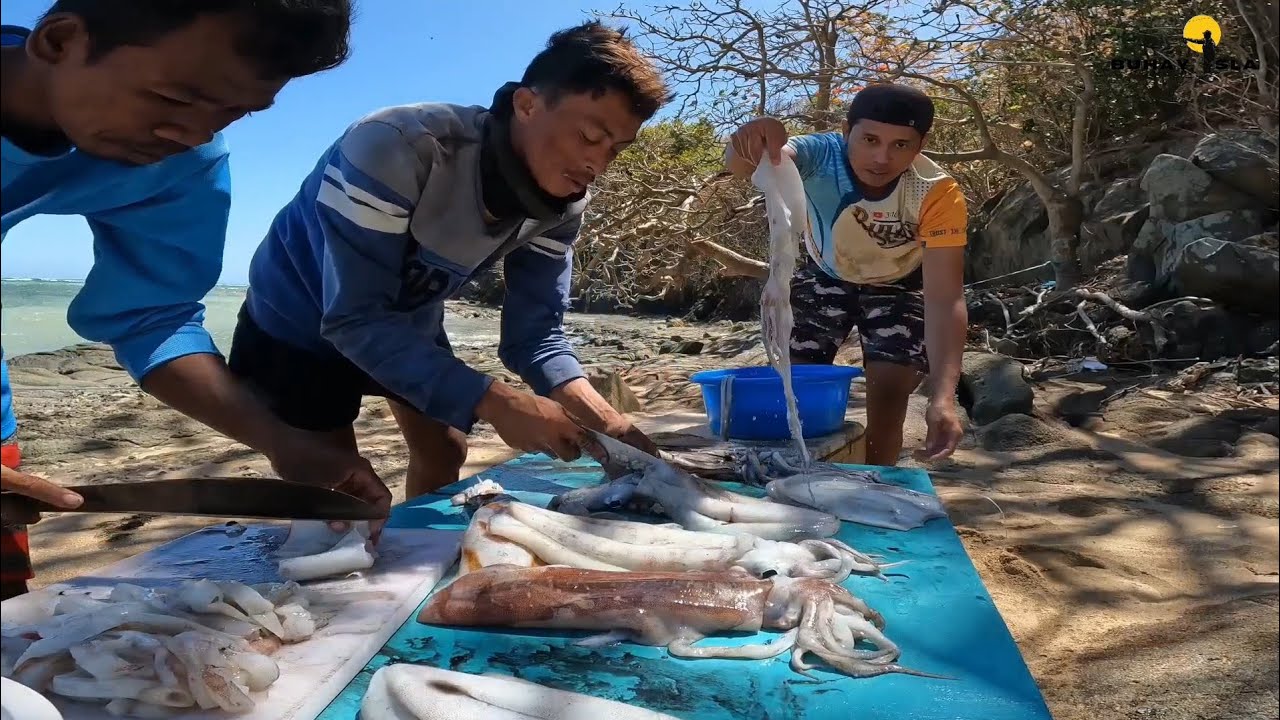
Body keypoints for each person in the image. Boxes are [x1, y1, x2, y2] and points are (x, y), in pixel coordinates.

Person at [1, 1, 393, 602]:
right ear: (58, 42)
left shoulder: (178, 162)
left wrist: (280, 440)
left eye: (233, 112)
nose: (189, 134)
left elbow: (152, 316)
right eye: (174, 98)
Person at [227, 21, 669, 500]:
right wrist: (497, 402)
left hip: (403, 319)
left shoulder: (563, 205)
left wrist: (607, 421)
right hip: (294, 327)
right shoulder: (394, 147)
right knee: (338, 484)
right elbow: (355, 320)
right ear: (527, 104)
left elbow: (535, 336)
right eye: (588, 135)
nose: (597, 164)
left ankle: (428, 553)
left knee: (445, 447)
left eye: (616, 150)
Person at [725, 83, 967, 467]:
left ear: (921, 145)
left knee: (889, 397)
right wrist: (753, 138)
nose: (881, 157)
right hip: (825, 275)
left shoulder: (936, 193)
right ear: (845, 130)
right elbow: (746, 163)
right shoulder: (820, 154)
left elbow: (945, 298)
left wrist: (943, 397)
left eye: (901, 145)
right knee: (794, 386)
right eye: (869, 139)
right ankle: (798, 475)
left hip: (898, 286)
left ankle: (877, 481)